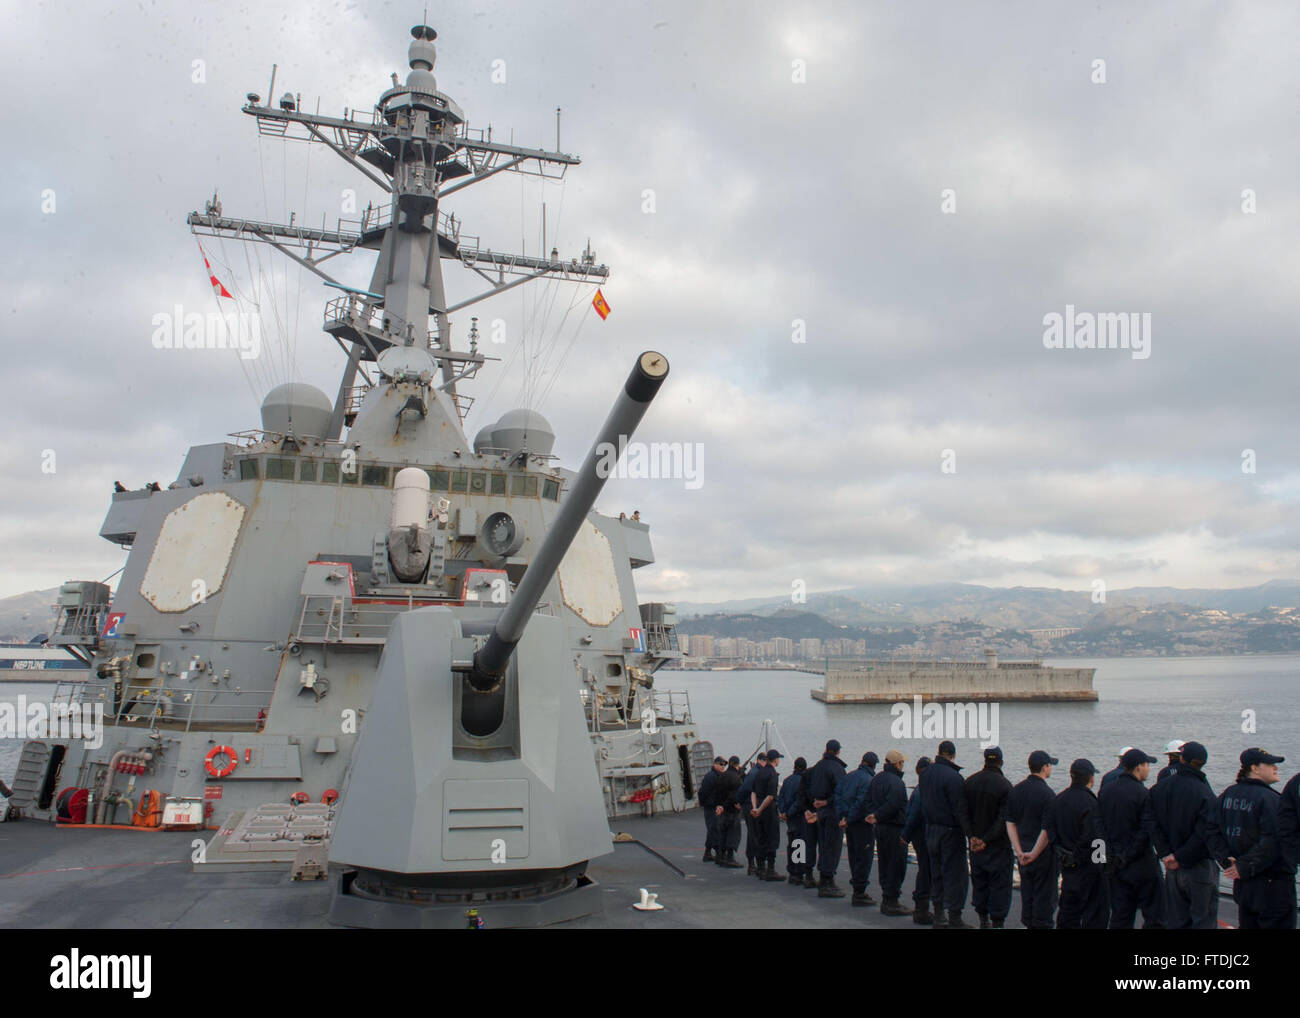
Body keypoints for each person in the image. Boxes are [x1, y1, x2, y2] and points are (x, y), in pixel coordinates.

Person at [1144, 741, 1230, 929]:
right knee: (1203, 920)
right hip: (1199, 866)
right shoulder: (1205, 793)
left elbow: (1151, 823)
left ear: (1181, 759)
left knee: (1176, 920)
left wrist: (1166, 853)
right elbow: (1206, 831)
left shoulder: (1158, 789)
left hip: (1171, 866)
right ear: (1202, 762)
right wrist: (1181, 856)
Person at [1220, 748, 1296, 929]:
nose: (1275, 768)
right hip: (1273, 884)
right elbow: (1274, 840)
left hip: (1243, 884)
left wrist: (1226, 860)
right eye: (1270, 764)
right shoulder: (1272, 799)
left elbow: (1211, 830)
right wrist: (1245, 865)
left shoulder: (1227, 795)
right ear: (1254, 768)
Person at [1099, 747, 1163, 928]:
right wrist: (1129, 854)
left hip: (1114, 863)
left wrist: (1107, 856)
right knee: (1154, 914)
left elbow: (1098, 827)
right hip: (1140, 862)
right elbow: (1146, 829)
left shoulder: (1106, 791)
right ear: (1138, 767)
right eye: (1147, 765)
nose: (1148, 769)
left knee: (1120, 915)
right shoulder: (1142, 793)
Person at [1044, 758, 1108, 929]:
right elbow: (1095, 837)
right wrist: (1101, 865)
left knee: (1068, 910)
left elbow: (1049, 828)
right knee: (1094, 912)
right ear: (1090, 778)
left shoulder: (1058, 800)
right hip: (1089, 866)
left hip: (1066, 863)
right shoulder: (1091, 803)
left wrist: (1061, 852)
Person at [920, 740, 972, 928]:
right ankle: (955, 917)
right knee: (955, 875)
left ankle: (939, 914)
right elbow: (960, 810)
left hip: (930, 828)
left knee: (936, 872)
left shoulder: (925, 774)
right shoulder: (954, 777)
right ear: (953, 755)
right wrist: (970, 834)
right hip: (950, 831)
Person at [1006, 750, 1059, 929]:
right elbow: (1046, 830)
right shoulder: (1048, 795)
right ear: (1044, 767)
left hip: (1023, 852)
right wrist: (1034, 853)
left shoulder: (1016, 790)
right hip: (1042, 855)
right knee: (1045, 899)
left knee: (1027, 895)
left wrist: (1019, 851)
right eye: (1050, 765)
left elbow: (1010, 823)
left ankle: (1028, 925)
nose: (1051, 768)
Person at [965, 745, 1013, 928]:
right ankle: (997, 923)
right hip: (997, 846)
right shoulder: (1005, 786)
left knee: (980, 882)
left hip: (975, 843)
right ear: (1001, 762)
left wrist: (971, 836)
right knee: (999, 885)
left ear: (985, 760)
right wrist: (987, 838)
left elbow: (962, 813)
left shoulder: (970, 782)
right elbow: (1003, 819)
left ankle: (982, 919)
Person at [866, 749, 911, 915]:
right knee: (896, 864)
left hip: (880, 827)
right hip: (894, 827)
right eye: (902, 763)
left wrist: (874, 815)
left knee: (884, 862)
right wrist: (879, 815)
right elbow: (895, 804)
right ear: (897, 764)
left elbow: (868, 800)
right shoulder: (897, 783)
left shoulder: (876, 779)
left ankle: (887, 897)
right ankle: (892, 900)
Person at [806, 739, 848, 897]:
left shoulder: (818, 766)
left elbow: (809, 785)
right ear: (837, 751)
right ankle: (827, 881)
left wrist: (816, 801)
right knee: (833, 845)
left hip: (820, 811)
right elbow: (842, 790)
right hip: (832, 811)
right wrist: (829, 802)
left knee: (823, 844)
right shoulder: (836, 768)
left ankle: (823, 877)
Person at [835, 752, 878, 906]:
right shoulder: (868, 780)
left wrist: (843, 816)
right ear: (873, 765)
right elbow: (861, 803)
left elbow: (838, 795)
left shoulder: (848, 776)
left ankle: (857, 888)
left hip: (849, 823)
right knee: (864, 857)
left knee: (853, 855)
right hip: (861, 824)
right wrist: (850, 817)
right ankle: (859, 892)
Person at [902, 757, 933, 924]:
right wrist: (905, 836)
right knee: (926, 870)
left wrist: (906, 834)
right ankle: (922, 909)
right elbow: (913, 816)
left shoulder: (918, 790)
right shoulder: (923, 791)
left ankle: (922, 907)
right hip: (922, 836)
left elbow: (910, 814)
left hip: (917, 835)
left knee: (924, 869)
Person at [751, 749, 784, 881]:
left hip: (758, 809)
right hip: (768, 811)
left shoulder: (759, 773)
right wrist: (760, 809)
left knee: (761, 838)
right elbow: (771, 796)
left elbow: (753, 792)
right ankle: (770, 870)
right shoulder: (772, 774)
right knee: (771, 839)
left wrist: (755, 808)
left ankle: (760, 868)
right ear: (775, 759)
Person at [779, 757, 810, 884]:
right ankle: (798, 872)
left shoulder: (787, 780)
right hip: (798, 816)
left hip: (789, 817)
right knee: (800, 844)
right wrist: (790, 812)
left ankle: (792, 870)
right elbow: (799, 801)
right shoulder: (803, 782)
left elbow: (780, 797)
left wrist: (783, 812)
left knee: (792, 843)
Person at [714, 756, 744, 868]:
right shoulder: (736, 778)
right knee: (733, 834)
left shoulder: (722, 776)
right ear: (737, 765)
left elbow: (717, 792)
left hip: (722, 810)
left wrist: (720, 806)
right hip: (732, 810)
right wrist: (735, 804)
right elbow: (734, 795)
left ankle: (720, 857)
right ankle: (730, 858)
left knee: (723, 833)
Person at [738, 754, 765, 875]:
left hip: (752, 805)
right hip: (751, 806)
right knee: (754, 834)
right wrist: (742, 803)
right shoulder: (755, 773)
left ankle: (755, 863)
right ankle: (754, 864)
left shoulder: (756, 772)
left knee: (755, 834)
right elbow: (745, 789)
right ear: (760, 761)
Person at [698, 756, 726, 862]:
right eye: (721, 764)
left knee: (712, 829)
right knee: (714, 828)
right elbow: (704, 792)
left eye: (724, 765)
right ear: (715, 764)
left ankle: (708, 852)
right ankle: (718, 852)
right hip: (711, 806)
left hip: (713, 805)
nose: (723, 767)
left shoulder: (717, 776)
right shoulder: (711, 777)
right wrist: (707, 803)